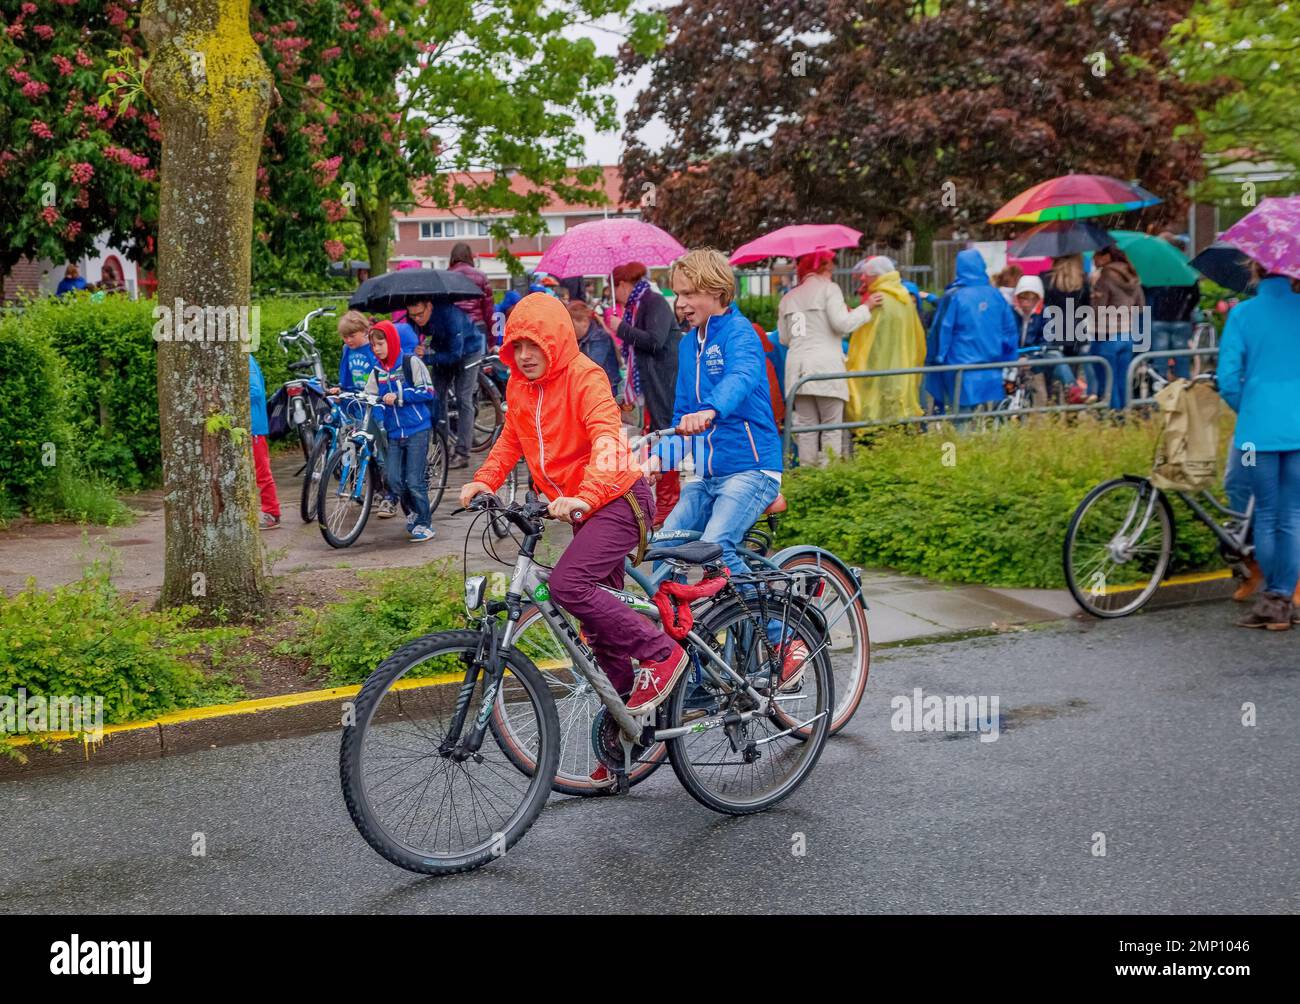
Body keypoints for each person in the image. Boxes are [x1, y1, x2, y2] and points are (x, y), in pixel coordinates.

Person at [460, 293, 686, 784]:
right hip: (582, 508)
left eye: (533, 345)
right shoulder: (521, 387)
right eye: (516, 345)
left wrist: (584, 494)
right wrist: (486, 480)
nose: (523, 355)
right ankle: (627, 733)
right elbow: (511, 441)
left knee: (567, 587)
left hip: (620, 500)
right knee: (596, 626)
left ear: (557, 340)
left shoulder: (586, 376)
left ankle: (662, 653)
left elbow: (607, 436)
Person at [657, 249, 784, 581]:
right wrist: (654, 463)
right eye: (677, 294)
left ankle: (773, 629)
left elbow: (740, 377)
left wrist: (711, 409)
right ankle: (674, 632)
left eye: (689, 293)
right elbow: (683, 416)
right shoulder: (688, 345)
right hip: (706, 474)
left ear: (715, 291)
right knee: (664, 547)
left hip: (752, 470)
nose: (680, 303)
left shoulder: (739, 332)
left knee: (717, 548)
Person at [1218, 264, 1300, 629]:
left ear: (1254, 269)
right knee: (1293, 515)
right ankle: (1285, 597)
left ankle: (1271, 599)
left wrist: (1247, 408)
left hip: (1254, 435)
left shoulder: (1242, 314)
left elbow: (1227, 380)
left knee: (1265, 514)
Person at [777, 249, 875, 465]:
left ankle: (808, 476)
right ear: (822, 267)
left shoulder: (789, 297)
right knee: (831, 426)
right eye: (830, 266)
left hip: (797, 369)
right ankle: (828, 477)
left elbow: (785, 338)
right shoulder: (830, 290)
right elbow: (843, 324)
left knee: (807, 428)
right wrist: (865, 308)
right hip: (826, 367)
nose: (832, 271)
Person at [605, 260, 682, 522]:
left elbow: (655, 341)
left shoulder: (653, 302)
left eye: (615, 290)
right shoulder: (640, 304)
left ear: (624, 284)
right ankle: (662, 501)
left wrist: (621, 329)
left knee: (665, 436)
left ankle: (668, 503)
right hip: (654, 382)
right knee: (657, 437)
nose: (615, 297)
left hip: (664, 381)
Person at [363, 321, 437, 542]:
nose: (376, 349)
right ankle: (412, 513)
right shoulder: (377, 371)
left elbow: (428, 391)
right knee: (393, 479)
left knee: (414, 481)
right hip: (394, 433)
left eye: (380, 343)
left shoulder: (410, 362)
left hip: (417, 430)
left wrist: (401, 396)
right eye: (373, 345)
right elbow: (369, 394)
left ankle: (425, 523)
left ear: (392, 341)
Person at [926, 248, 1018, 412]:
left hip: (960, 367)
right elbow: (1009, 332)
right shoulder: (996, 295)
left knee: (961, 419)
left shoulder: (954, 296)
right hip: (991, 367)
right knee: (988, 419)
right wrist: (1009, 358)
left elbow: (940, 331)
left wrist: (934, 358)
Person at [845, 256, 926, 424]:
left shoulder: (878, 301)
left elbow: (866, 340)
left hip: (877, 372)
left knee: (875, 418)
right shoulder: (904, 297)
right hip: (902, 369)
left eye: (865, 274)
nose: (861, 278)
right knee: (898, 418)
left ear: (876, 275)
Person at [404, 297, 478, 468]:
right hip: (442, 351)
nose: (417, 319)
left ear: (429, 306)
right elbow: (413, 333)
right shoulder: (415, 316)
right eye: (412, 315)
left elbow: (455, 355)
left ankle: (462, 452)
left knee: (463, 399)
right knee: (435, 398)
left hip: (467, 352)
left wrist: (427, 357)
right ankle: (441, 448)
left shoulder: (451, 317)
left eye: (420, 314)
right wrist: (418, 345)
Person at [1089, 244, 1146, 410]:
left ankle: (1115, 419)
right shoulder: (1132, 275)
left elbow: (1098, 309)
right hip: (1126, 335)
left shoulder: (1105, 277)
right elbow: (1140, 306)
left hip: (1107, 335)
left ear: (1107, 256)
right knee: (1122, 380)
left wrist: (1094, 291)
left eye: (1097, 255)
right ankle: (1124, 415)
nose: (1094, 259)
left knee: (1108, 382)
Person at [1042, 253, 1094, 402]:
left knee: (1052, 380)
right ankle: (1073, 416)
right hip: (1076, 333)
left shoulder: (1046, 279)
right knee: (1073, 374)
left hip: (1052, 333)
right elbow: (1086, 308)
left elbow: (1044, 307)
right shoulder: (1083, 281)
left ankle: (1054, 413)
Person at [248, 354, 281, 530]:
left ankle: (272, 512)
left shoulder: (245, 359)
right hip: (246, 426)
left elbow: (255, 391)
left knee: (261, 471)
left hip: (253, 426)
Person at [567, 299, 621, 396]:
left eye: (571, 325)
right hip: (594, 389)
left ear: (584, 321)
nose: (568, 329)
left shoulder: (600, 338)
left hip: (607, 391)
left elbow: (590, 367)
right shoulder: (580, 338)